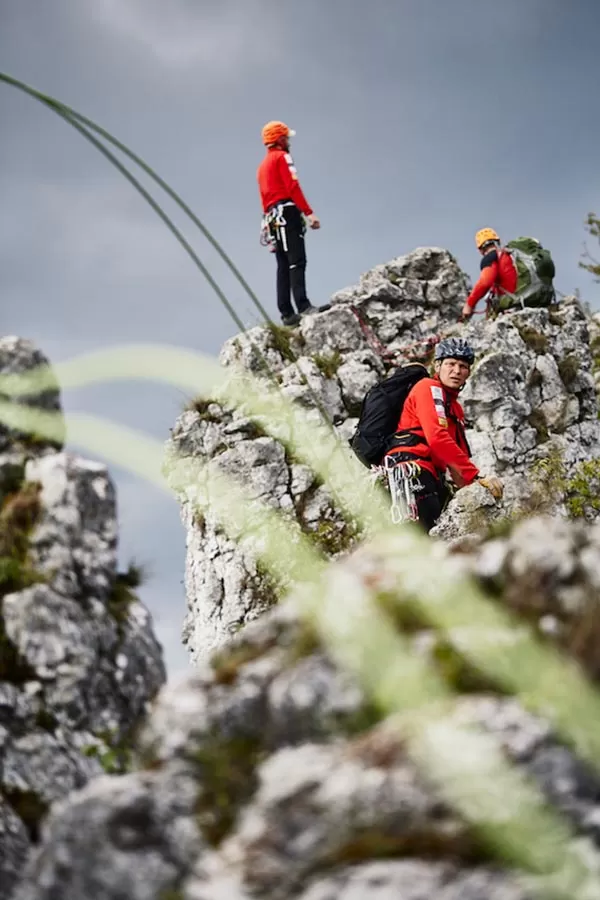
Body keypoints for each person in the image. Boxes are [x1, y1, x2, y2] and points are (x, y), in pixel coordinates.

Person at [384, 337, 504, 532]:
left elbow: (457, 459)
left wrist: (476, 487)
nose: (457, 371)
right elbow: (437, 437)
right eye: (451, 364)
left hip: (430, 477)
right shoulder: (427, 388)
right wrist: (475, 475)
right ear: (437, 366)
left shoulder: (454, 408)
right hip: (412, 472)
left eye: (463, 366)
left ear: (468, 373)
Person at [257, 121, 328, 326]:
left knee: (282, 264)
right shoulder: (282, 157)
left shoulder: (261, 167)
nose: (288, 141)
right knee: (297, 260)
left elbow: (264, 197)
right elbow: (292, 186)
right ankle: (303, 306)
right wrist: (309, 212)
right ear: (279, 139)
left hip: (272, 218)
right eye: (286, 137)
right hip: (287, 213)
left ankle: (286, 312)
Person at [461, 228, 518, 320]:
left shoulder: (490, 258)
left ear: (480, 249)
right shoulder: (509, 254)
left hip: (512, 304)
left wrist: (469, 305)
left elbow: (485, 282)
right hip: (527, 297)